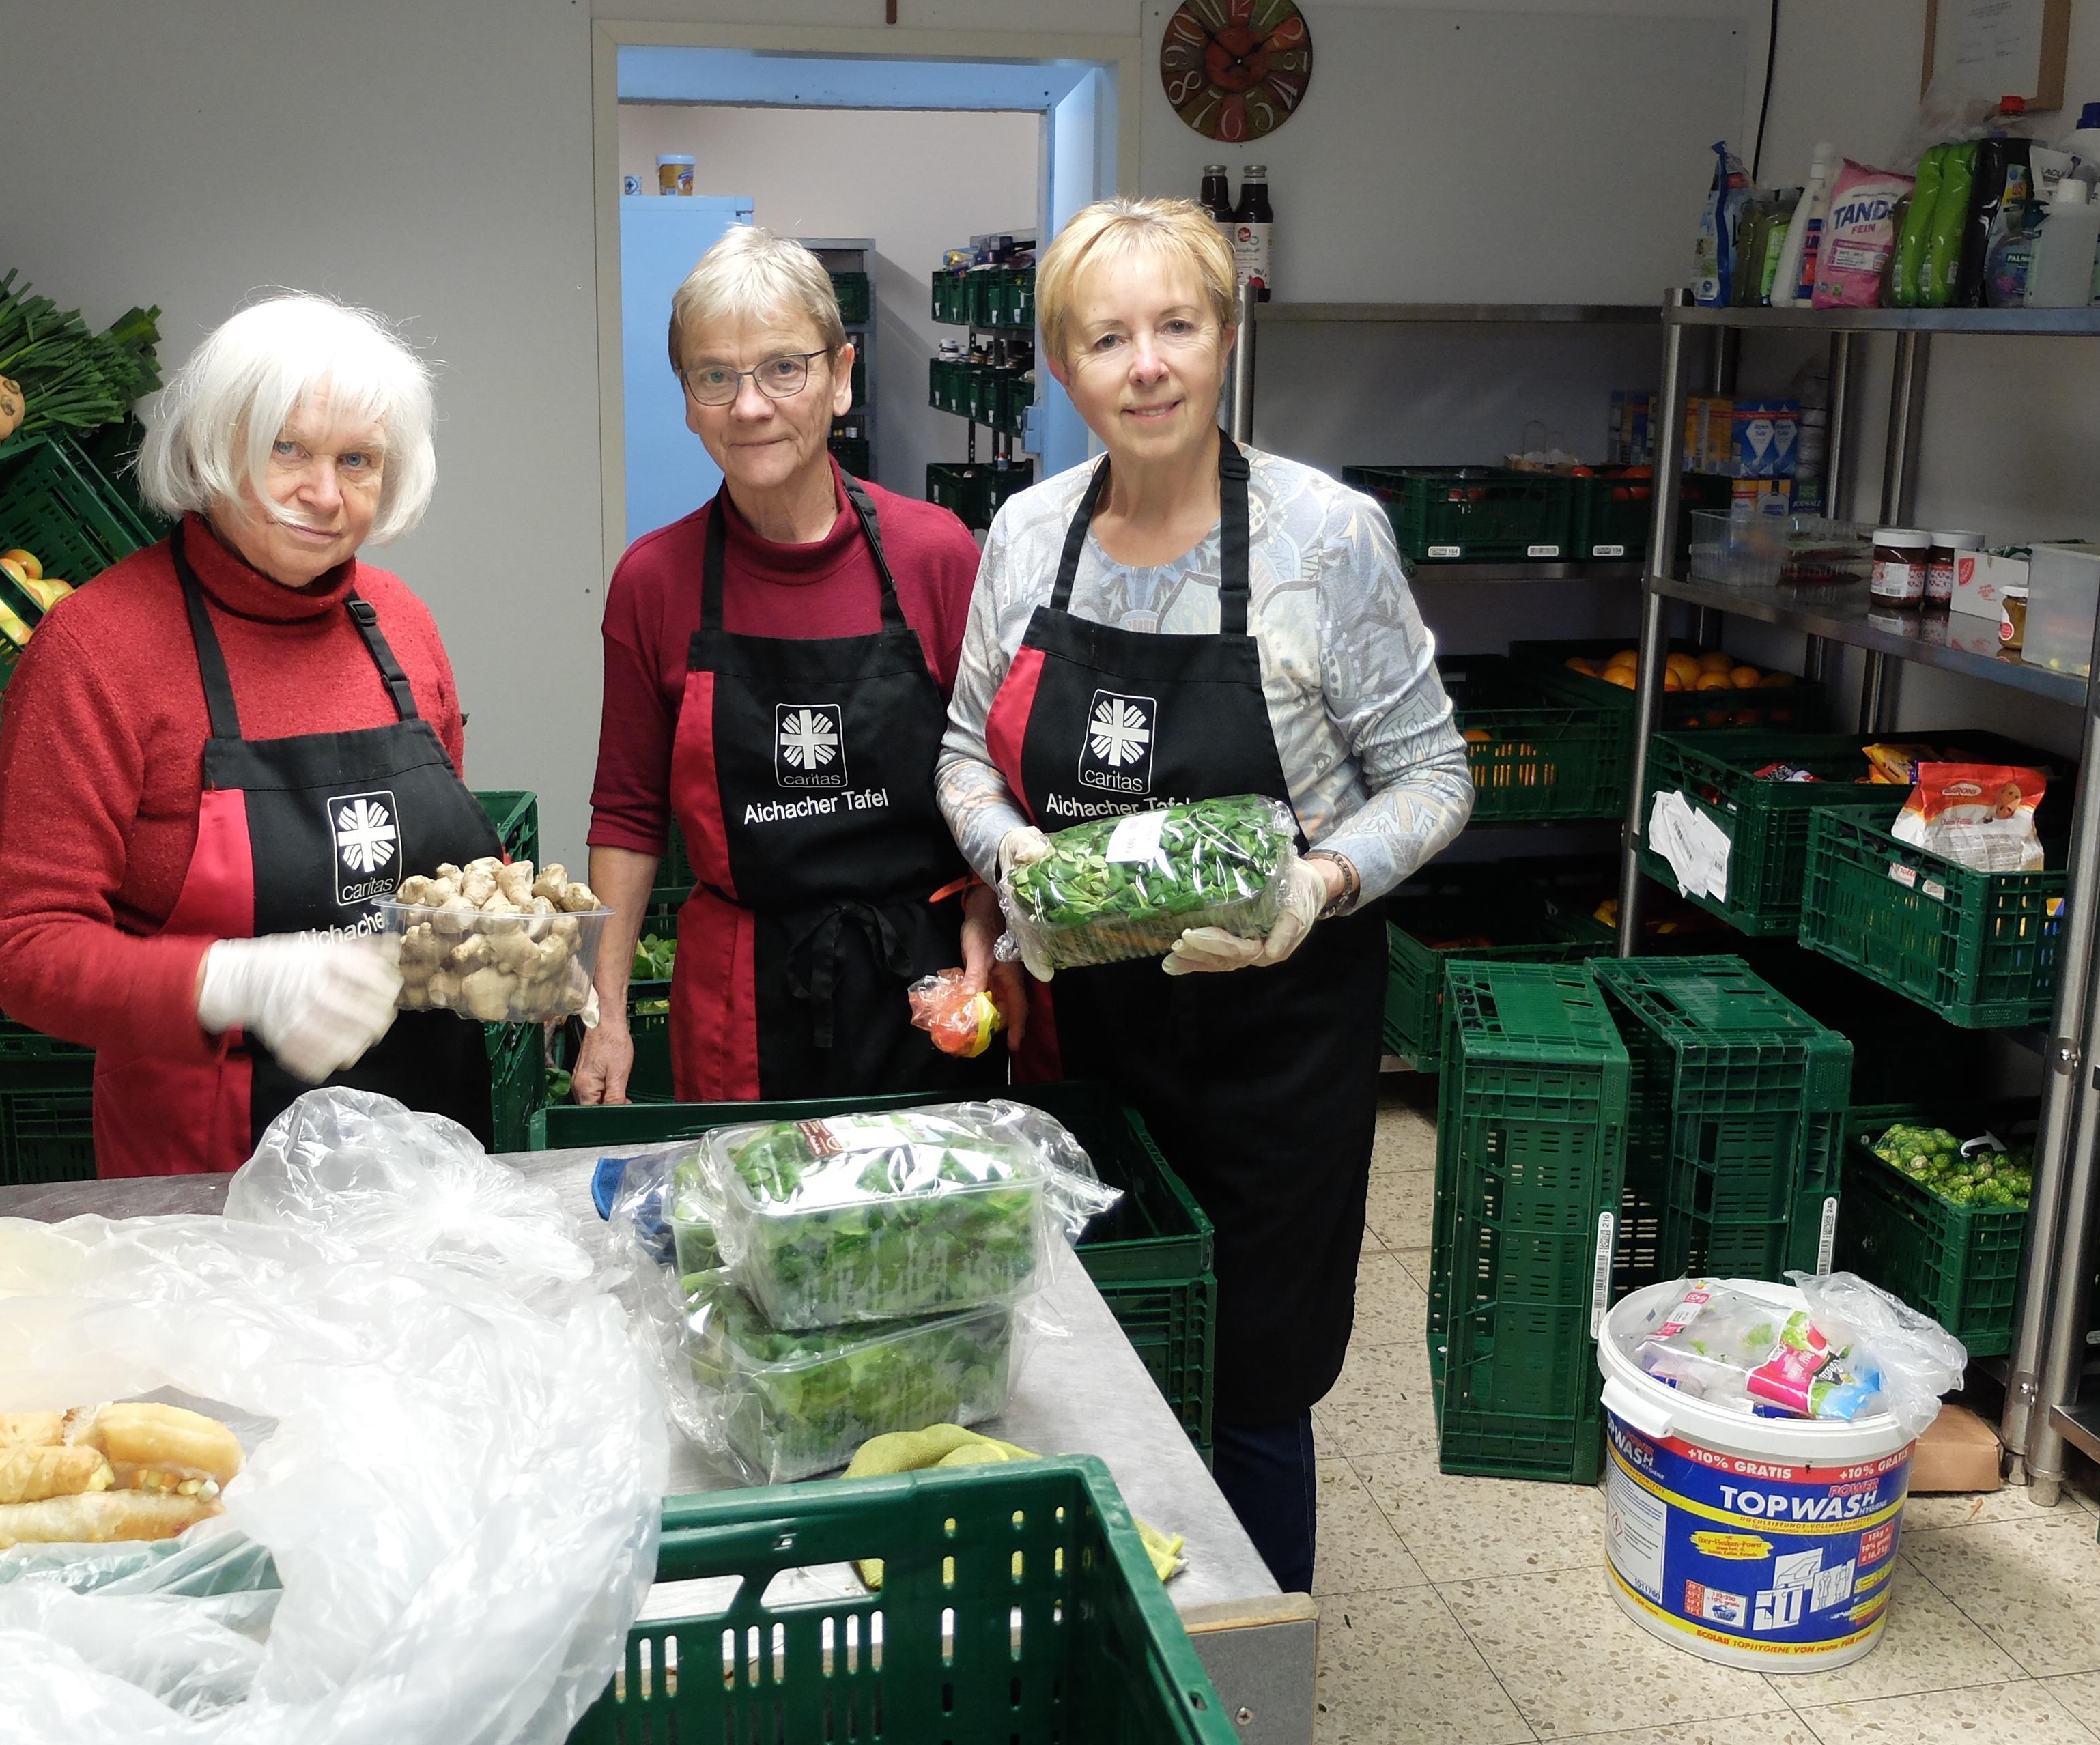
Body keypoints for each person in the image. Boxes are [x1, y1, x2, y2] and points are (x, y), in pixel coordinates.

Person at [936, 198, 1474, 1593]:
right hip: (1087, 1042)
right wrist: (1013, 856)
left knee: (1249, 1380)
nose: (1146, 365)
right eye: (1106, 338)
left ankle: (1250, 1676)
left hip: (1272, 1053)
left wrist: (1316, 880)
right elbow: (957, 758)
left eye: (1176, 324)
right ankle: (1117, 1641)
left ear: (1225, 337)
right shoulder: (1025, 537)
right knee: (1094, 1354)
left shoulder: (1322, 537)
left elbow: (1432, 777)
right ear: (1063, 368)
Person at [0, 293, 507, 1177]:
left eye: (358, 460)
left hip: (429, 1159)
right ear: (211, 447)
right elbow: (26, 951)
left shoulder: (402, 625)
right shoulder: (95, 651)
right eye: (286, 448)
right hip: (211, 1193)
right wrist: (233, 983)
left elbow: (433, 876)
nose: (324, 494)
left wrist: (493, 939)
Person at [577, 226, 998, 1105]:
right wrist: (605, 1007)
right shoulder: (654, 582)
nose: (751, 405)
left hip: (926, 985)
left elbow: (989, 771)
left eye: (783, 368)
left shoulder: (937, 554)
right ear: (689, 402)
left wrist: (990, 924)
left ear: (842, 377)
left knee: (925, 1231)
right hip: (736, 995)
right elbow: (627, 809)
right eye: (715, 376)